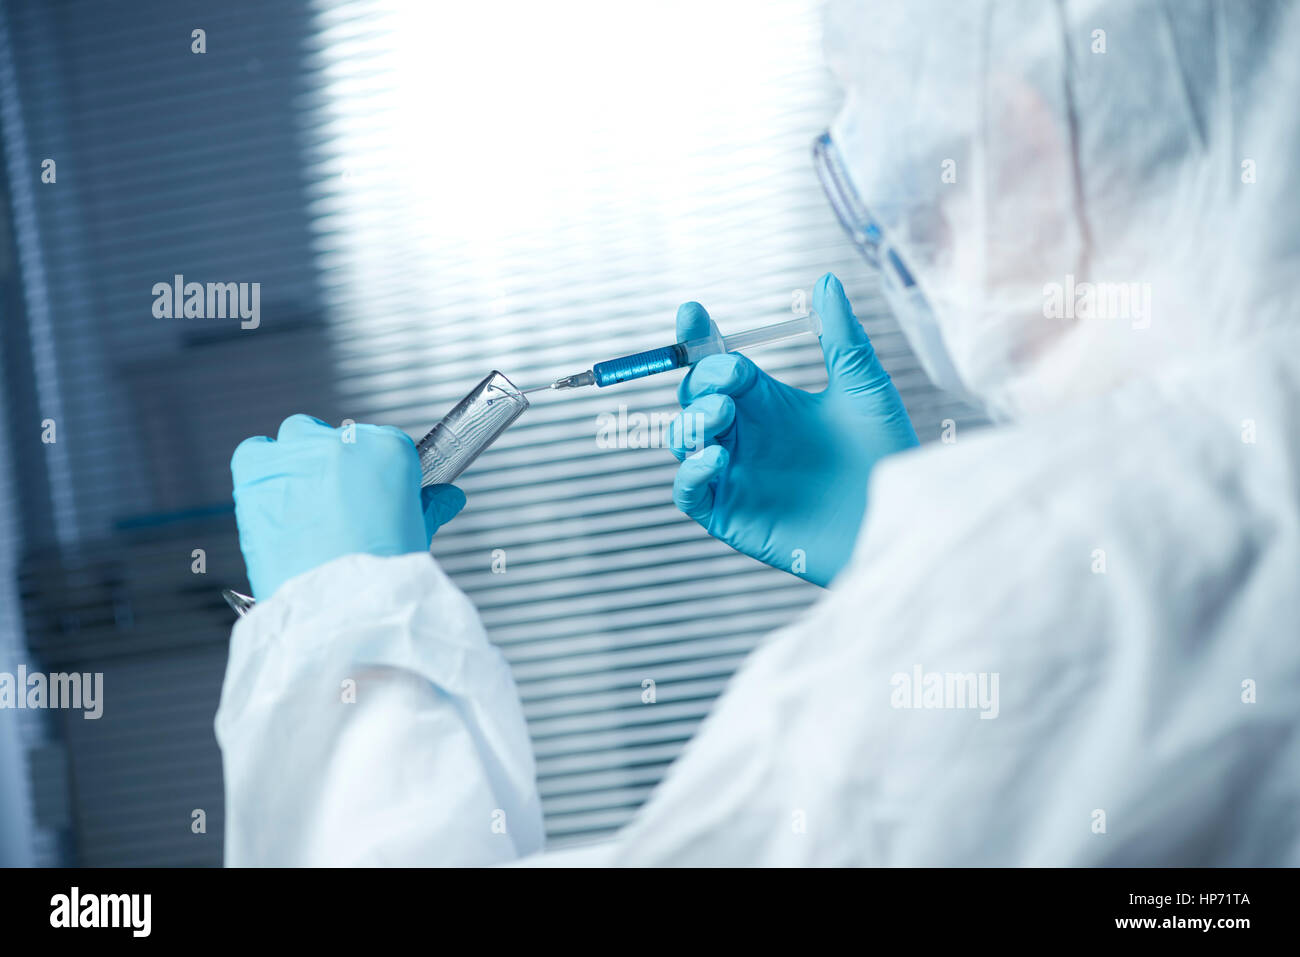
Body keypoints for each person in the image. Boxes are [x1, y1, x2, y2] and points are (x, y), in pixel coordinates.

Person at [215, 0, 1300, 866]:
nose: (899, 233)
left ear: (1019, 131)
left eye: (900, 178)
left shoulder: (1056, 560)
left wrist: (341, 633)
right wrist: (898, 560)